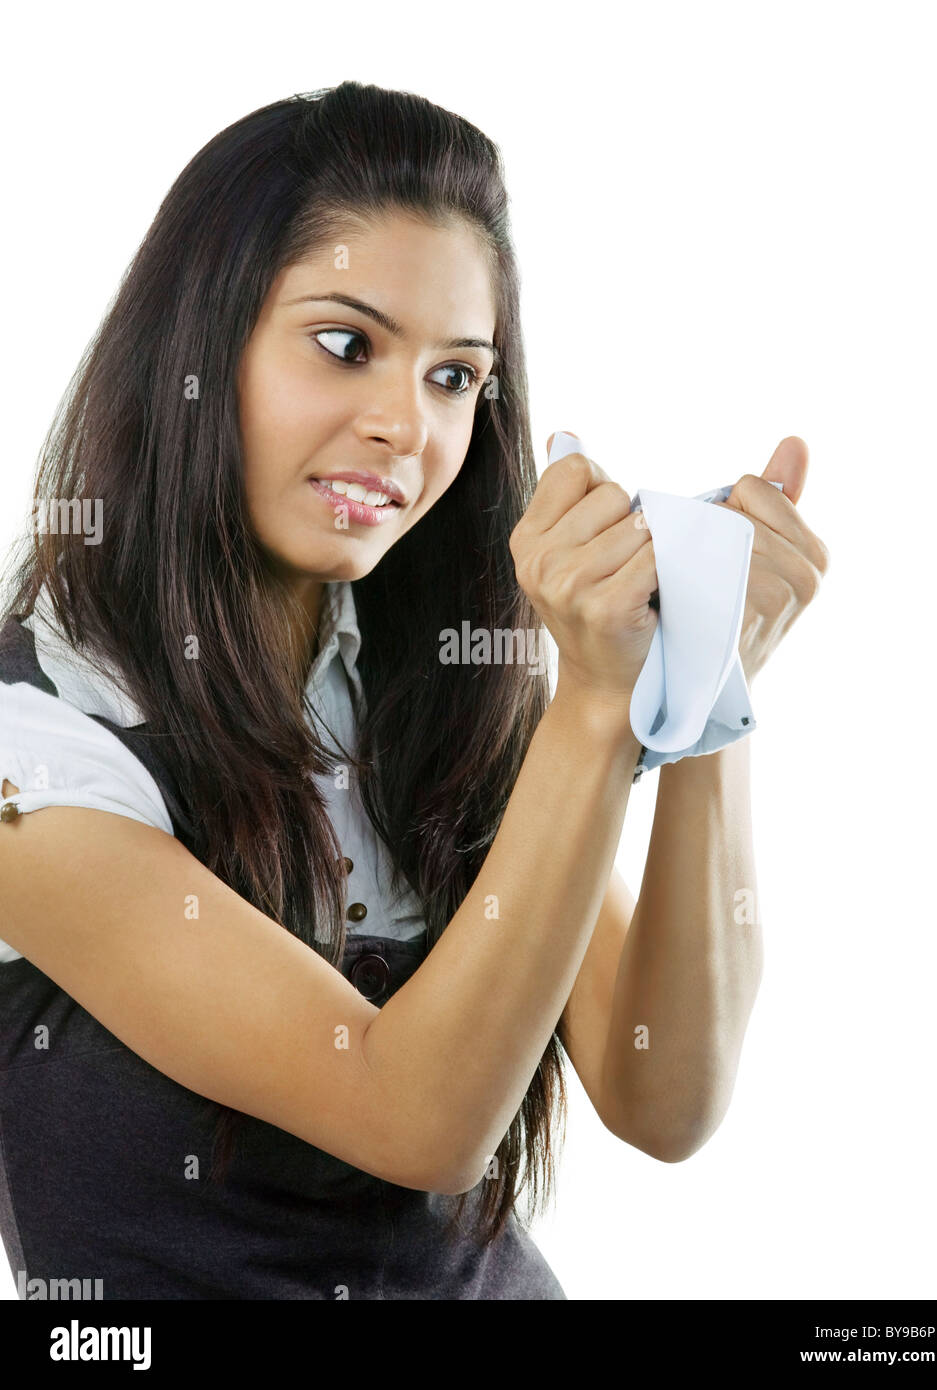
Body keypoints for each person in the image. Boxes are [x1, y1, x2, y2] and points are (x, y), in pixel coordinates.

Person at [0, 80, 828, 1300]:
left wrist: (702, 689)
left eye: (456, 378)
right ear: (195, 345)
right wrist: (593, 708)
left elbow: (663, 1094)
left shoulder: (429, 692)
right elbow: (409, 1112)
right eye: (347, 345)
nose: (406, 425)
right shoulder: (40, 747)